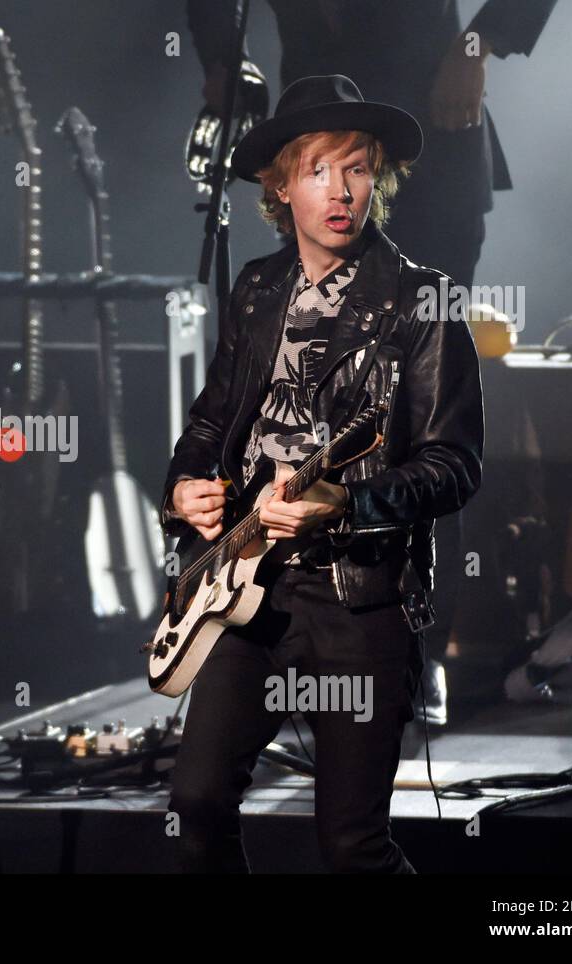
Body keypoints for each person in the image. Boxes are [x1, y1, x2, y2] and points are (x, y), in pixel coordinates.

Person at [188, 0, 556, 722]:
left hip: (427, 145)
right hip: (310, 140)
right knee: (293, 403)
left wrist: (481, 41)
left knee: (418, 413)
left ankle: (421, 644)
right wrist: (220, 58)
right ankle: (288, 639)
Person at [162, 75, 483, 872]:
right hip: (244, 587)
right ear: (281, 186)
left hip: (359, 600)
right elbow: (211, 422)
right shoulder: (258, 290)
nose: (342, 192)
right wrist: (182, 488)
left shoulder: (423, 302)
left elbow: (454, 465)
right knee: (196, 805)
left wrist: (347, 504)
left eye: (360, 169)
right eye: (318, 171)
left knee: (350, 845)